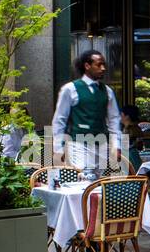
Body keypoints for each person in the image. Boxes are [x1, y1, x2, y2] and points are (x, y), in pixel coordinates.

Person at [51, 50, 122, 179]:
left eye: (104, 64)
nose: (103, 68)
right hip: (78, 143)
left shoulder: (107, 91)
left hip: (101, 143)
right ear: (87, 66)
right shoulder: (70, 88)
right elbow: (59, 120)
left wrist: (116, 144)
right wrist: (57, 147)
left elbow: (114, 120)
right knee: (82, 178)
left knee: (99, 182)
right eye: (99, 64)